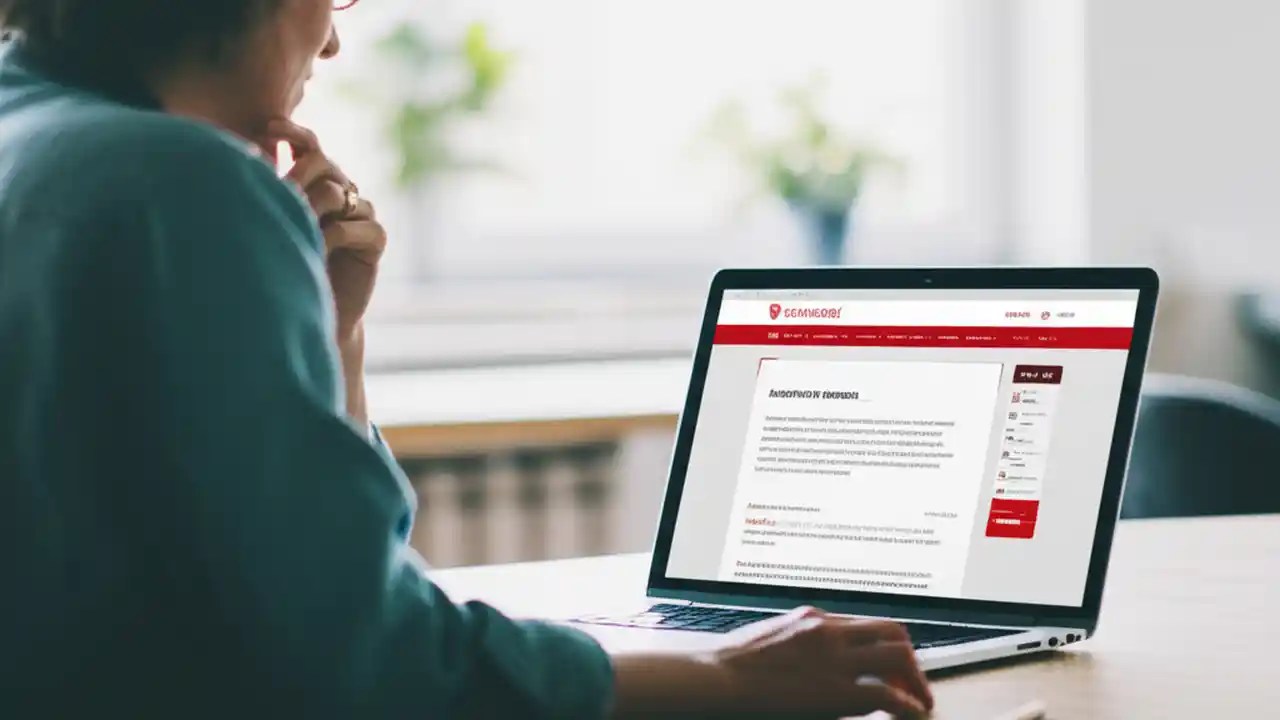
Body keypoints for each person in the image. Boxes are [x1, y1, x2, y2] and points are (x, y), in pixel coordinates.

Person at [0, 1, 934, 717]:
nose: (329, 45)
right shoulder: (183, 186)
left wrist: (335, 334)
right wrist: (725, 675)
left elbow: (282, 573)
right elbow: (369, 654)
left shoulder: (34, 139)